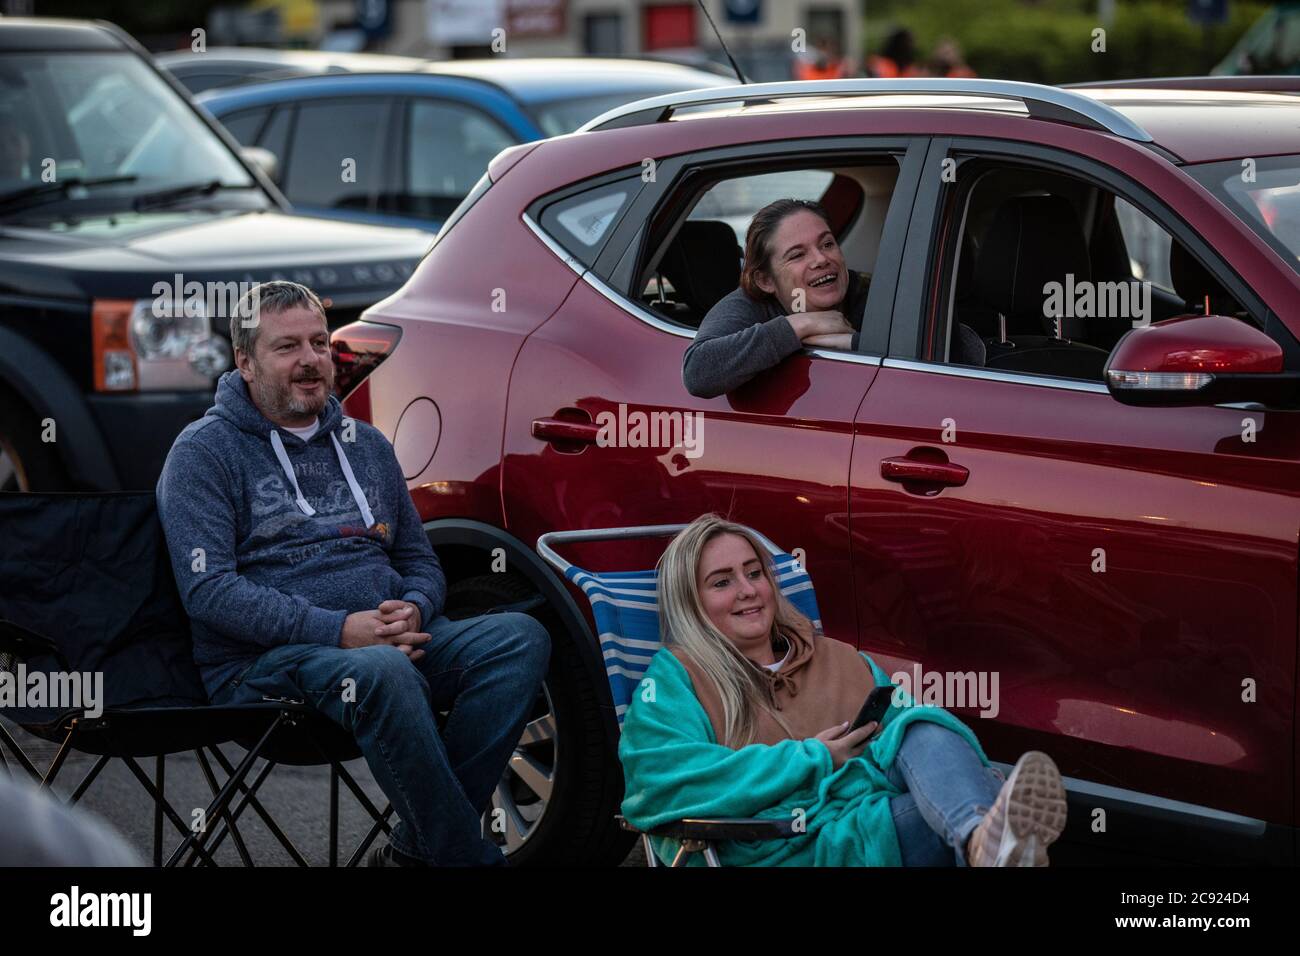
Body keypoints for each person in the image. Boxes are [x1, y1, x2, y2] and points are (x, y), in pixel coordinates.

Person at [156, 280, 550, 867]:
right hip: (261, 666)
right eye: (287, 347)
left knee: (519, 641)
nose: (311, 360)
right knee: (384, 671)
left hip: (386, 644)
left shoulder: (364, 444)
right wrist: (340, 630)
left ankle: (420, 853)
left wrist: (415, 605)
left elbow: (418, 558)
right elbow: (209, 590)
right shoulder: (203, 453)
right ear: (244, 362)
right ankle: (465, 858)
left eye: (318, 342)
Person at [618, 514, 1069, 866]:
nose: (748, 590)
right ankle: (988, 833)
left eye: (755, 573)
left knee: (918, 727)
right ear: (692, 604)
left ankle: (982, 836)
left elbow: (908, 737)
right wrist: (810, 758)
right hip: (786, 844)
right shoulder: (675, 679)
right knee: (976, 808)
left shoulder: (832, 656)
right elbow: (660, 785)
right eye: (722, 582)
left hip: (869, 805)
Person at [682, 198, 867, 398]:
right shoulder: (750, 304)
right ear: (765, 280)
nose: (821, 259)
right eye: (797, 255)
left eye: (827, 244)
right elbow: (698, 372)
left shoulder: (872, 293)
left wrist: (852, 342)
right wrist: (799, 325)